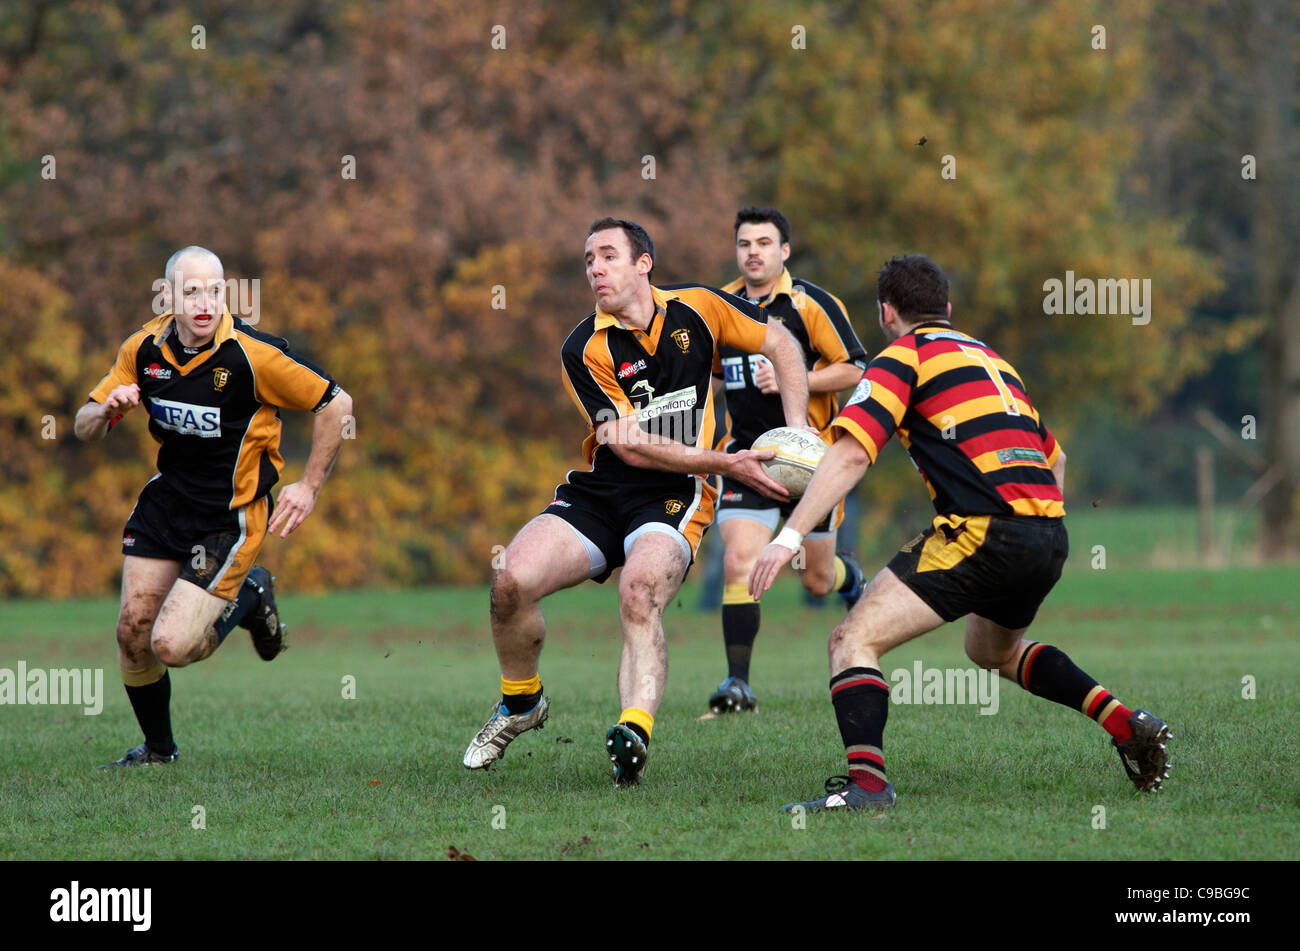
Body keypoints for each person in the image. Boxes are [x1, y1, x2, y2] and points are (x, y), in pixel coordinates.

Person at [750, 254, 1171, 813]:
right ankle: (1126, 723)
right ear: (946, 309)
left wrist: (788, 538)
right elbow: (1058, 458)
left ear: (886, 313)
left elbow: (851, 456)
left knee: (852, 641)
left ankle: (868, 788)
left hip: (983, 532)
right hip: (1047, 534)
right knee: (992, 651)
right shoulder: (993, 360)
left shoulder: (904, 355)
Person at [462, 217, 811, 785]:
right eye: (588, 260)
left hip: (676, 496)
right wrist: (726, 462)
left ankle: (633, 734)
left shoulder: (701, 308)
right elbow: (632, 446)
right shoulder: (583, 346)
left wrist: (796, 432)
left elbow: (780, 341)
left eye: (607, 256)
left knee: (639, 593)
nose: (595, 268)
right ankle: (521, 702)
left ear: (643, 263)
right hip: (606, 489)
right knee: (510, 582)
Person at [74, 246, 352, 768]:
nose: (205, 302)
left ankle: (248, 596)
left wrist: (308, 486)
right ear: (168, 296)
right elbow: (83, 426)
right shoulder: (144, 349)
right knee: (133, 630)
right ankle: (159, 753)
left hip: (230, 517)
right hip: (167, 504)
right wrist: (105, 410)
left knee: (171, 646)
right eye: (192, 290)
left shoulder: (252, 355)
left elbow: (337, 403)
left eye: (215, 290)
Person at [706, 207, 869, 714]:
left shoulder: (810, 304)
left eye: (763, 242)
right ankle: (738, 684)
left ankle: (852, 581)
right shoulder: (721, 305)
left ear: (784, 251)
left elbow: (857, 368)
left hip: (809, 462)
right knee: (739, 561)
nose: (752, 251)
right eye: (744, 243)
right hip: (747, 456)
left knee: (816, 581)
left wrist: (796, 379)